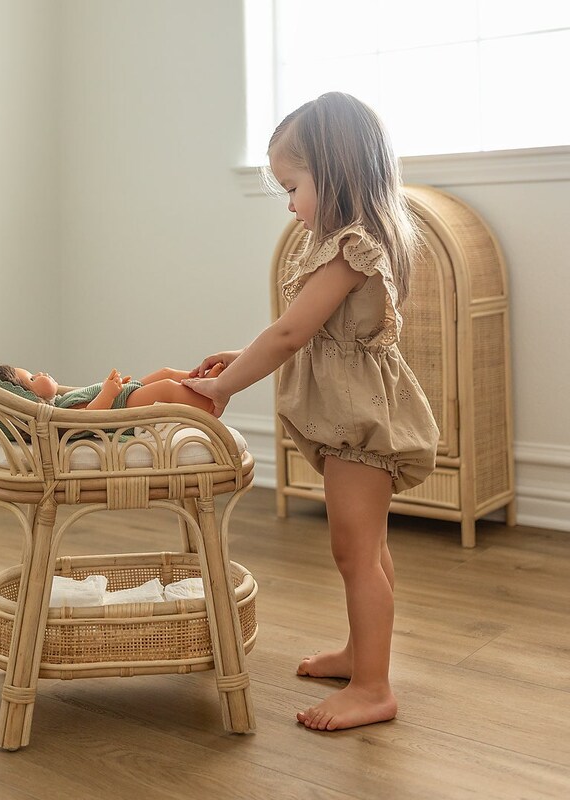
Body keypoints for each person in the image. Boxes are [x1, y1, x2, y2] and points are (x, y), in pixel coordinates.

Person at [182, 92, 439, 731]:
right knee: (366, 548)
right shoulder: (345, 244)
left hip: (361, 426)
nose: (290, 204)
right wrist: (240, 356)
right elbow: (309, 333)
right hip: (353, 417)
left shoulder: (353, 247)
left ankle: (373, 687)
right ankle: (361, 654)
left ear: (336, 173)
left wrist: (223, 387)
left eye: (293, 187)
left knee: (355, 552)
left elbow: (290, 334)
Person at [0, 363, 225, 415]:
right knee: (165, 387)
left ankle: (206, 383)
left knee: (165, 372)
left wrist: (116, 387)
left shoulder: (61, 399)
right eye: (32, 378)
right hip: (124, 407)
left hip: (125, 394)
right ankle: (206, 403)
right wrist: (109, 393)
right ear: (30, 396)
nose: (40, 373)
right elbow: (90, 417)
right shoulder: (61, 413)